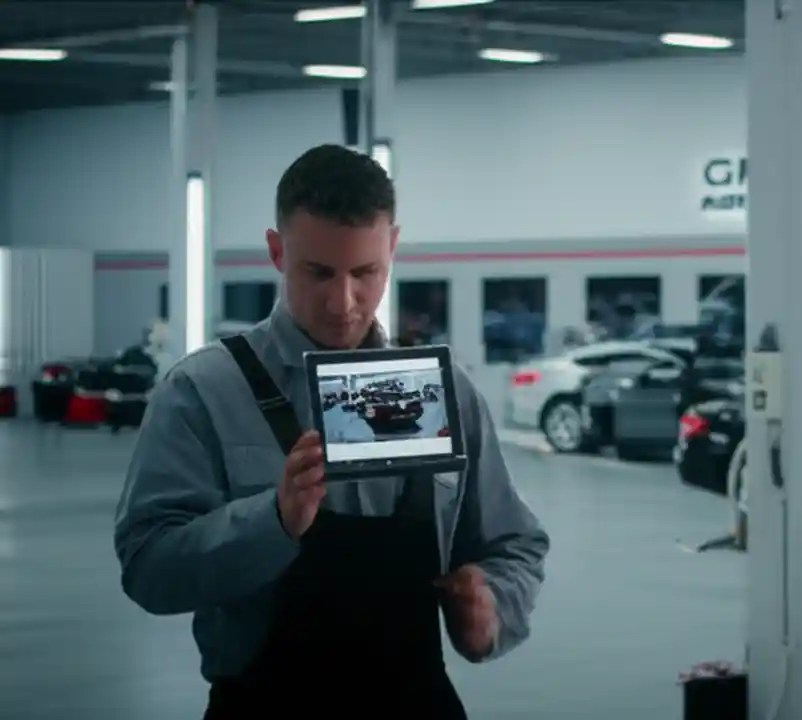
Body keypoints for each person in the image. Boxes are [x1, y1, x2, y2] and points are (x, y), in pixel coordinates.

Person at [113, 144, 550, 717]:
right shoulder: (203, 392)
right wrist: (271, 520)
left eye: (366, 273)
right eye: (318, 272)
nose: (344, 303)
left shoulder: (443, 393)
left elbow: (514, 545)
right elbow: (149, 568)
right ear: (276, 251)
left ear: (392, 247)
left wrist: (491, 607)